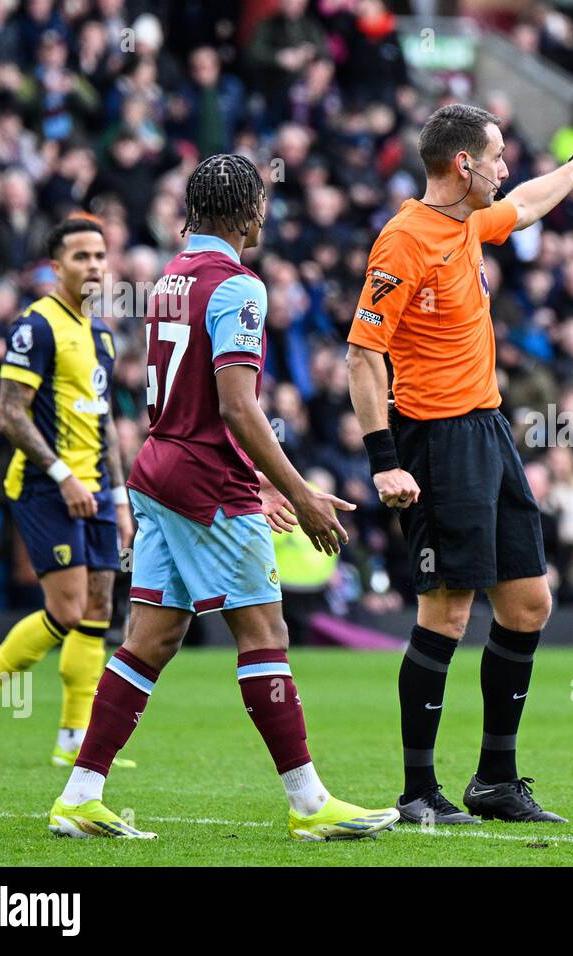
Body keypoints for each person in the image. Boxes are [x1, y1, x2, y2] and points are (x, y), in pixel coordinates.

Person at [46, 154, 398, 840]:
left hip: (158, 470)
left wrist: (262, 479)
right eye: (260, 205)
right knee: (265, 633)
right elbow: (237, 408)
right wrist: (298, 492)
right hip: (206, 481)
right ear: (244, 214)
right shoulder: (240, 287)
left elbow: (194, 401)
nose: (265, 217)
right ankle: (309, 803)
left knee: (151, 636)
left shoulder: (170, 279)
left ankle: (79, 795)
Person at [347, 95, 573, 825]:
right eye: (496, 156)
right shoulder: (404, 240)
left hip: (488, 430)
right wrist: (383, 461)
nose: (504, 168)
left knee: (529, 604)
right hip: (433, 441)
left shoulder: (465, 223)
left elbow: (527, 204)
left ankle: (495, 780)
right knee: (446, 611)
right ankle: (416, 790)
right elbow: (362, 356)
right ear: (463, 165)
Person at [0, 218, 135, 769]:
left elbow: (103, 422)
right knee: (68, 606)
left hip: (98, 489)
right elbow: (9, 414)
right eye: (81, 257)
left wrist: (119, 496)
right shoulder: (36, 327)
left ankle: (73, 738)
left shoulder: (102, 334)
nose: (94, 266)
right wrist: (64, 477)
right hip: (44, 485)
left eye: (100, 255)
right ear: (57, 267)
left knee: (100, 608)